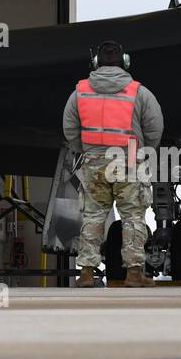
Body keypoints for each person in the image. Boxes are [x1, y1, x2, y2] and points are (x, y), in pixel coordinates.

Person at [62, 40, 163, 287]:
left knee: (93, 217)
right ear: (125, 63)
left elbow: (70, 129)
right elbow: (154, 127)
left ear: (95, 63)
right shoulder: (139, 92)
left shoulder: (80, 92)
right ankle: (134, 274)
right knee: (133, 217)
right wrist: (142, 151)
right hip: (128, 160)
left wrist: (85, 150)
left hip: (94, 162)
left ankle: (86, 272)